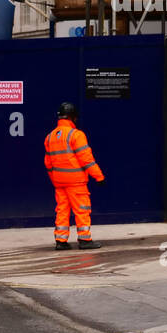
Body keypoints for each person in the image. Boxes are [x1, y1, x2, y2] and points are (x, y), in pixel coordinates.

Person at [45, 101, 105, 250]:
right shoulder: (76, 135)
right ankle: (85, 240)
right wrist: (98, 176)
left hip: (60, 182)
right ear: (73, 118)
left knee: (62, 211)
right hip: (76, 182)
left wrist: (55, 180)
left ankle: (61, 241)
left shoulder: (50, 137)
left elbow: (48, 164)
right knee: (82, 209)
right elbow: (86, 159)